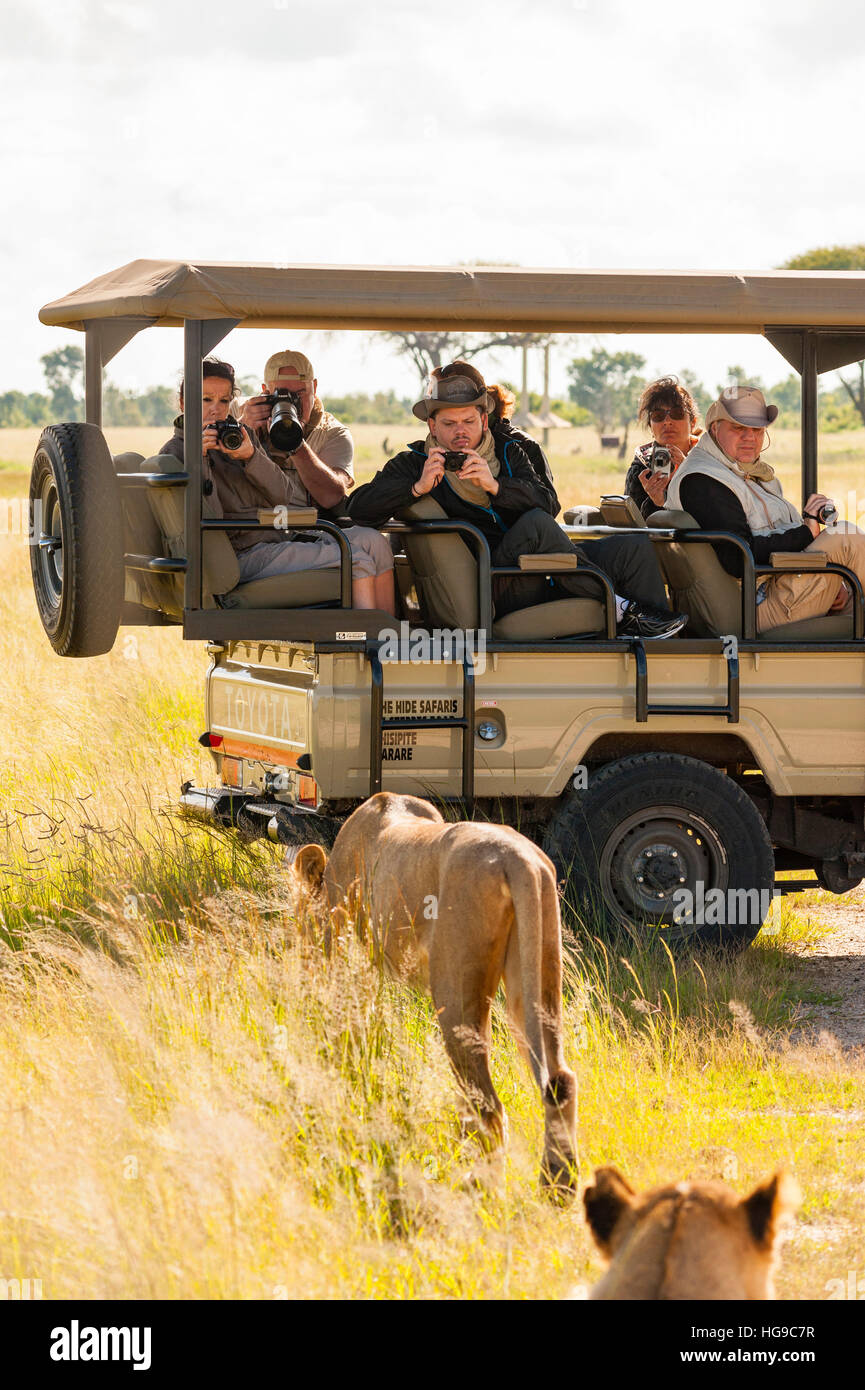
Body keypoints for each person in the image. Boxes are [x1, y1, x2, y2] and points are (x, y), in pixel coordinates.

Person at [345, 365, 687, 639]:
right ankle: (619, 609)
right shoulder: (413, 463)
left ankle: (657, 644)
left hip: (538, 564)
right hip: (495, 580)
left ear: (483, 419)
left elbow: (548, 501)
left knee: (632, 546)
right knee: (536, 525)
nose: (460, 432)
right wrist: (416, 488)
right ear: (432, 424)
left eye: (468, 421)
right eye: (449, 424)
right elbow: (357, 508)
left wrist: (496, 486)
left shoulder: (509, 452)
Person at [160, 358, 395, 613]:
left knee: (374, 544)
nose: (216, 410)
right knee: (357, 559)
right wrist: (202, 459)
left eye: (224, 401)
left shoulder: (236, 436)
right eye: (206, 400)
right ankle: (368, 645)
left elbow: (283, 495)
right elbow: (212, 520)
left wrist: (251, 456)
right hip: (241, 552)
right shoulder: (177, 454)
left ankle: (391, 636)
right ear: (184, 404)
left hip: (274, 539)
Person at [665, 386, 865, 632]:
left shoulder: (746, 471)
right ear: (715, 429)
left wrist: (832, 579)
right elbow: (738, 557)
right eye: (738, 428)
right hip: (755, 605)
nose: (750, 437)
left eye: (757, 429)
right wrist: (807, 531)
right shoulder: (703, 480)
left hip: (777, 585)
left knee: (852, 593)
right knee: (844, 537)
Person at [625, 376, 701, 517]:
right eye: (658, 415)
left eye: (677, 414)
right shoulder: (642, 467)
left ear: (692, 422)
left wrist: (690, 473)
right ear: (650, 426)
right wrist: (657, 502)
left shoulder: (708, 459)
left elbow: (715, 515)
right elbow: (633, 527)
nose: (667, 422)